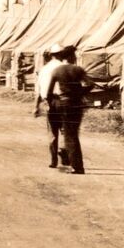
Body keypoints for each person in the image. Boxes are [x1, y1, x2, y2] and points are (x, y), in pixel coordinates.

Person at [48, 46, 92, 174]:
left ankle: (77, 166)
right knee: (73, 133)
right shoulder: (78, 70)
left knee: (69, 135)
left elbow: (49, 92)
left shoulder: (57, 71)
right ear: (72, 57)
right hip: (77, 104)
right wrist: (80, 93)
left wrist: (52, 105)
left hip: (64, 103)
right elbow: (90, 84)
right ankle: (76, 165)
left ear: (62, 57)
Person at [33, 46, 64, 168]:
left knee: (52, 131)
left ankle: (53, 160)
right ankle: (63, 149)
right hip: (63, 101)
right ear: (62, 54)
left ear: (51, 55)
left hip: (49, 102)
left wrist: (36, 107)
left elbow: (38, 90)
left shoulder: (44, 69)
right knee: (65, 129)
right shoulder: (64, 68)